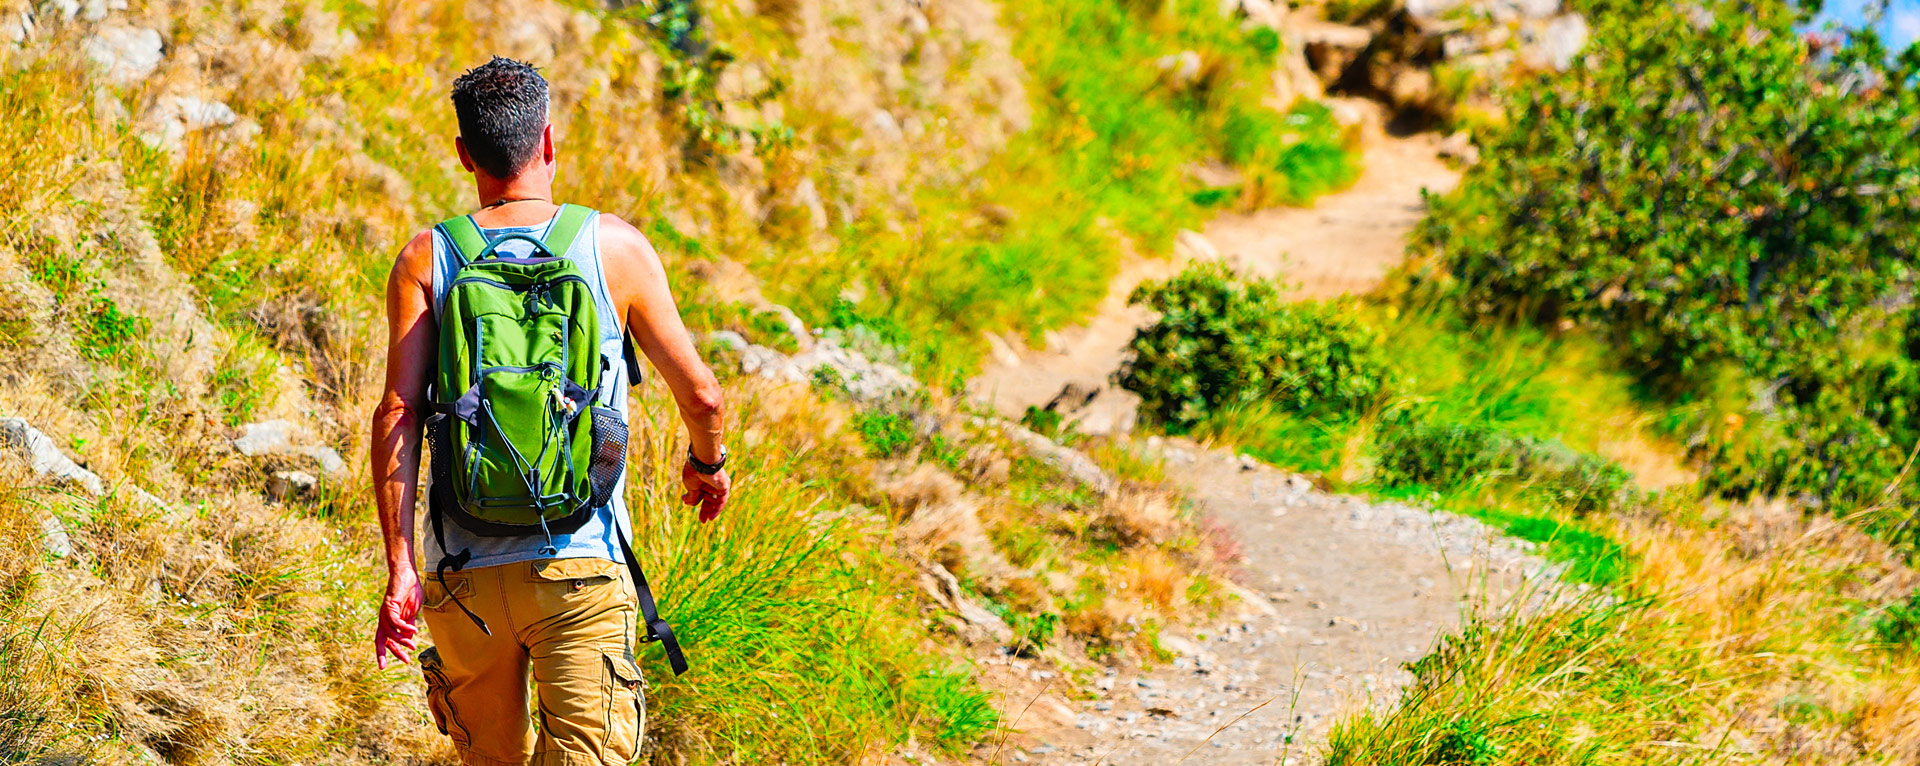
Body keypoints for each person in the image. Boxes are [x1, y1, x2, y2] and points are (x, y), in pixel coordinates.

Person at [368, 56, 731, 766]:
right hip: (580, 563)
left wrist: (400, 565)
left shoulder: (427, 257)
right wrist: (706, 464)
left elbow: (396, 414)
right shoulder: (613, 247)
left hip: (463, 571)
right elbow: (703, 396)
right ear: (550, 143)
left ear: (465, 154)